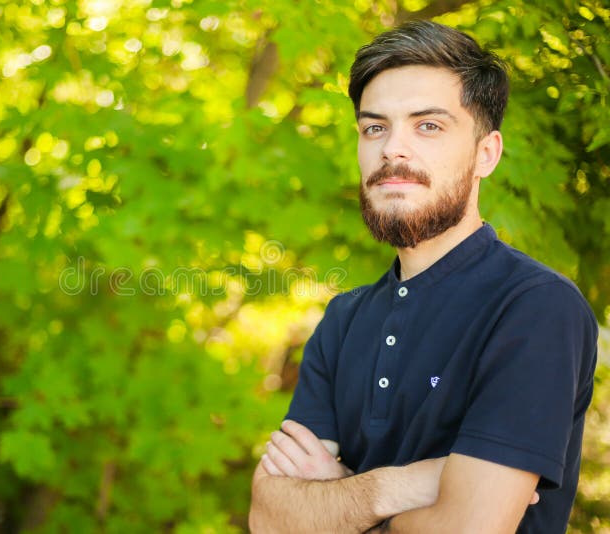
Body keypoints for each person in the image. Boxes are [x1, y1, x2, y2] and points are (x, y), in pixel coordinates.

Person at [248, 21, 598, 534]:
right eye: (375, 127)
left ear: (486, 154)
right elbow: (271, 519)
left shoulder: (535, 307)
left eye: (428, 126)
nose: (393, 149)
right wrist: (403, 484)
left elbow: (467, 529)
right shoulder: (343, 320)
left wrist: (337, 493)